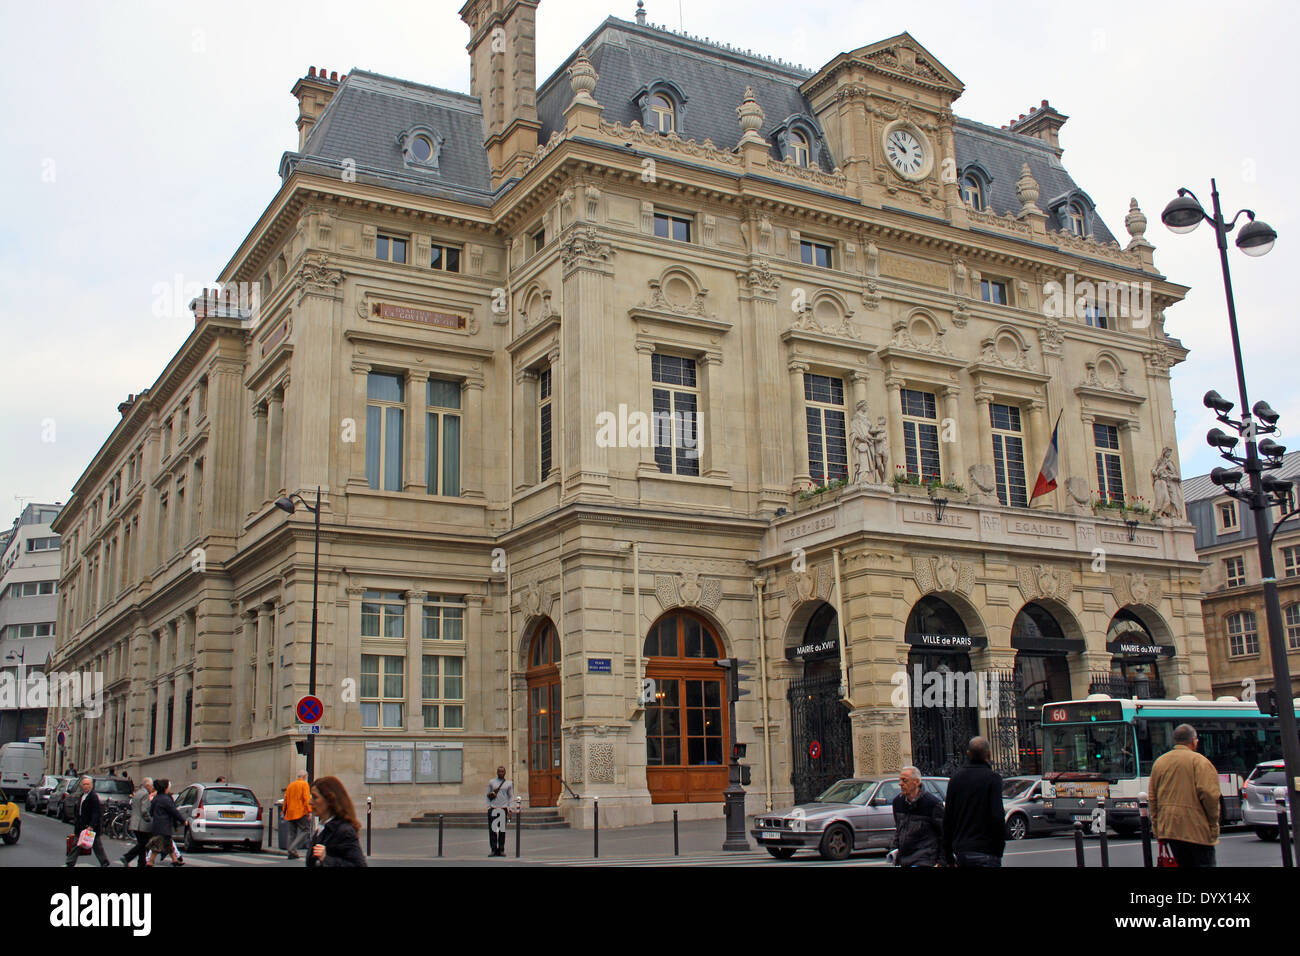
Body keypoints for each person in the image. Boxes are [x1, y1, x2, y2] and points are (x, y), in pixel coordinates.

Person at [1149, 723, 1220, 867]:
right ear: (1194, 741)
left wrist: (1157, 827)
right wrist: (1213, 825)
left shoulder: (1160, 762)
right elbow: (1209, 794)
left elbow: (1152, 798)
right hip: (1197, 828)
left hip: (1170, 828)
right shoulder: (1199, 761)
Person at [941, 737, 1006, 867]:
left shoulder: (955, 779)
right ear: (988, 754)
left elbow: (948, 819)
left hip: (961, 850)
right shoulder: (993, 779)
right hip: (986, 850)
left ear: (968, 754)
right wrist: (999, 849)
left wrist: (948, 855)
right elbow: (997, 816)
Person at [888, 766, 945, 867]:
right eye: (900, 780)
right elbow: (899, 830)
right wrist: (894, 849)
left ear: (917, 782)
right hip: (904, 859)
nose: (900, 784)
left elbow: (945, 834)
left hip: (925, 859)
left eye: (905, 780)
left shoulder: (932, 804)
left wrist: (941, 862)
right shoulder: (898, 802)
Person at [305, 776, 366, 867]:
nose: (310, 802)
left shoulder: (344, 831)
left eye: (315, 797)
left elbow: (359, 865)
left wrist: (326, 859)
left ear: (329, 800)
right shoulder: (322, 828)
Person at [65, 775, 110, 867]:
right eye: (84, 784)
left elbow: (96, 813)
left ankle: (104, 862)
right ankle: (70, 862)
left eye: (87, 784)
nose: (86, 786)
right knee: (76, 844)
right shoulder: (82, 795)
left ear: (91, 786)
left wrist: (91, 825)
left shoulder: (93, 797)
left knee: (97, 846)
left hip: (90, 826)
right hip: (81, 825)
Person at [145, 778, 186, 867]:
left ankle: (175, 860)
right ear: (165, 788)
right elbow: (174, 811)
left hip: (157, 825)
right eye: (168, 787)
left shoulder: (156, 798)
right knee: (158, 845)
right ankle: (150, 862)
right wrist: (183, 821)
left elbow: (151, 812)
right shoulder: (166, 799)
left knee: (168, 844)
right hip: (164, 825)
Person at [120, 777, 154, 867]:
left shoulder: (138, 793)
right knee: (144, 844)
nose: (152, 788)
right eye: (151, 786)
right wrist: (149, 819)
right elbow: (144, 810)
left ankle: (141, 863)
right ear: (147, 785)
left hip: (134, 823)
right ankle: (127, 857)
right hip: (141, 824)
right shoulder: (145, 794)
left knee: (142, 845)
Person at [282, 771, 313, 860]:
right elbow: (306, 798)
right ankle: (292, 848)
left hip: (290, 812)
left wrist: (284, 811)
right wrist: (309, 811)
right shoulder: (304, 784)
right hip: (300, 811)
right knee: (305, 830)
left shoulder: (291, 785)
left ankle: (292, 852)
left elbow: (286, 799)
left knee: (292, 833)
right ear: (304, 776)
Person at [486, 765, 514, 857]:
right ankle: (493, 849)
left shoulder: (509, 783)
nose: (500, 773)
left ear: (505, 773)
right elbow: (487, 795)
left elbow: (511, 796)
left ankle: (501, 850)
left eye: (502, 771)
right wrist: (488, 807)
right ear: (497, 772)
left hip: (503, 809)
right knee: (493, 831)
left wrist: (511, 808)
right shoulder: (491, 782)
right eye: (499, 771)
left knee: (502, 831)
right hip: (493, 808)